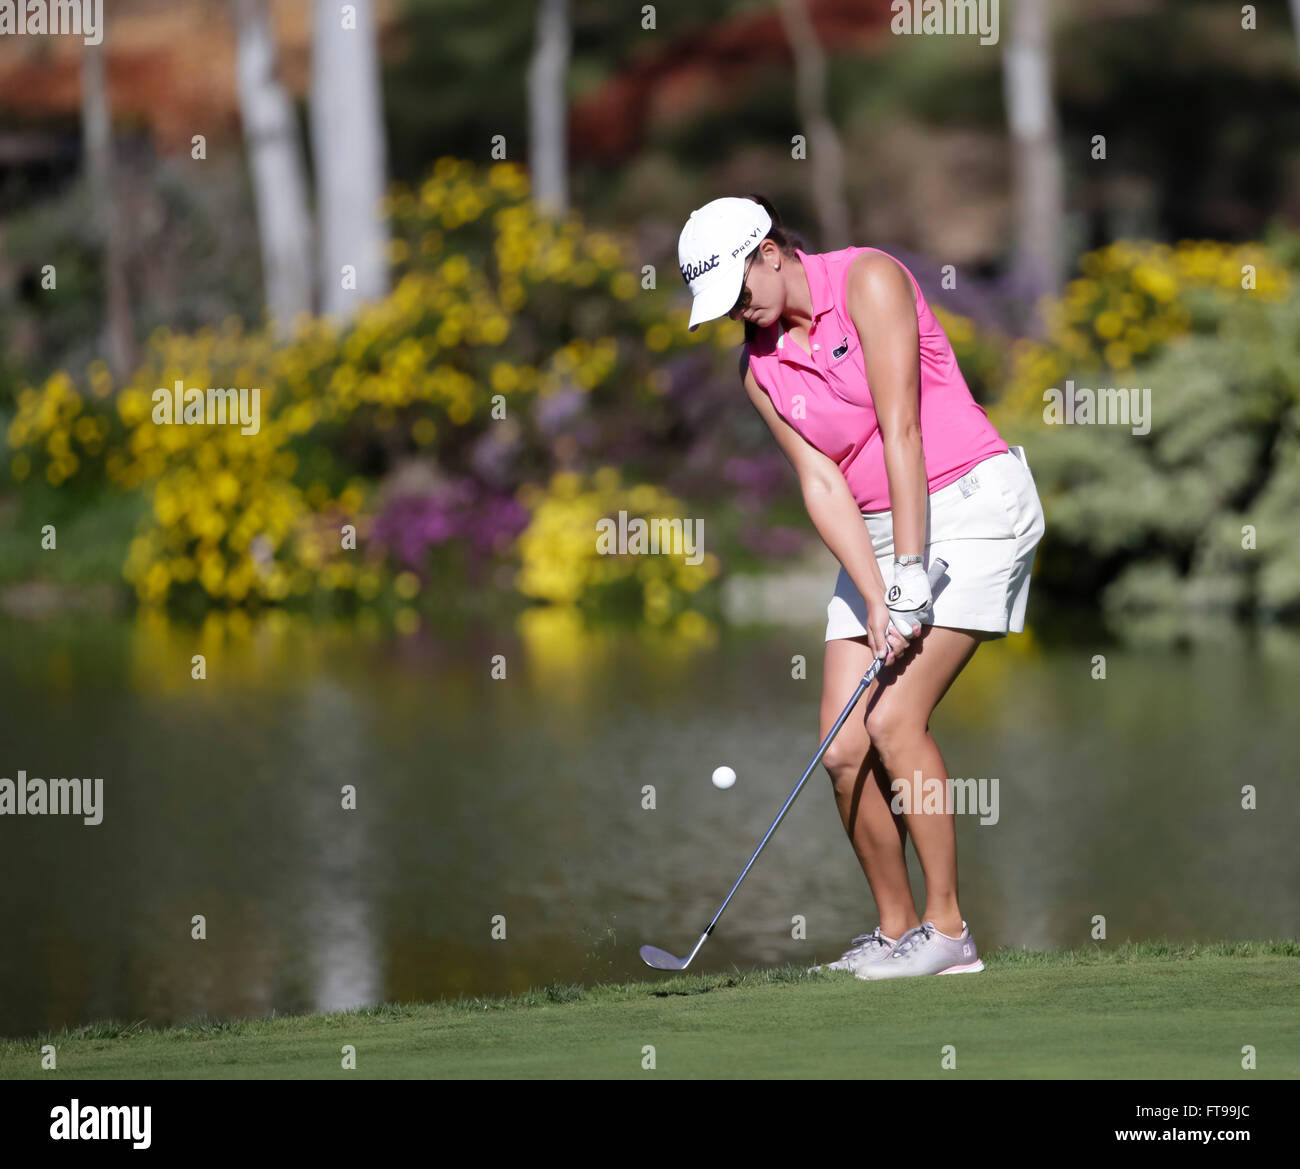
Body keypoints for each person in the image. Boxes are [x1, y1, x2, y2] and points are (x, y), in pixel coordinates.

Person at [676, 194, 1046, 979]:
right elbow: (821, 482)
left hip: (971, 507)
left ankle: (949, 933)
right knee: (843, 747)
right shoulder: (758, 366)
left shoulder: (870, 280)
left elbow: (901, 426)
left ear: (769, 250)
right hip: (875, 534)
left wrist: (911, 572)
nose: (739, 311)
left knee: (893, 719)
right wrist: (879, 592)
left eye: (740, 289)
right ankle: (896, 928)